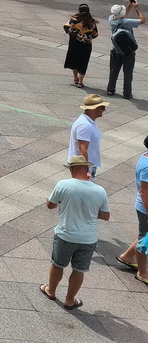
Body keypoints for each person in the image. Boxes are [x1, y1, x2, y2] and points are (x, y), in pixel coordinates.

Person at [41, 155, 110, 310]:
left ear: (72, 169)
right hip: (88, 239)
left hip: (65, 234)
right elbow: (105, 216)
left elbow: (50, 205)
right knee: (79, 270)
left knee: (58, 265)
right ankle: (70, 300)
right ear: (87, 170)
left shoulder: (63, 185)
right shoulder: (100, 190)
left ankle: (51, 290)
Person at [113, 134, 148, 285]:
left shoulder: (145, 156)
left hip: (144, 207)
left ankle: (127, 256)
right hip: (145, 207)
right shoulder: (147, 165)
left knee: (145, 235)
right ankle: (142, 272)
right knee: (144, 240)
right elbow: (144, 192)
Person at [108, 1, 143, 99]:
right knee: (128, 73)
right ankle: (127, 93)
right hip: (128, 51)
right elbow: (142, 20)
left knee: (113, 71)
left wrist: (130, 5)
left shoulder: (111, 19)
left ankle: (110, 89)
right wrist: (136, 8)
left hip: (115, 49)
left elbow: (122, 15)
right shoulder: (127, 22)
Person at [69, 94, 108, 177]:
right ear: (93, 109)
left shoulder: (89, 122)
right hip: (84, 167)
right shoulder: (85, 125)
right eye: (101, 107)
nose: (104, 109)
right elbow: (82, 149)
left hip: (87, 166)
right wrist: (85, 171)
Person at [63, 4, 99, 89]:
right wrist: (87, 37)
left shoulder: (74, 19)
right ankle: (80, 82)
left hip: (74, 43)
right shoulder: (92, 21)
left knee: (74, 59)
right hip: (86, 44)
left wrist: (74, 34)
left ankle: (75, 78)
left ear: (79, 10)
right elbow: (95, 34)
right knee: (83, 62)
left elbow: (66, 27)